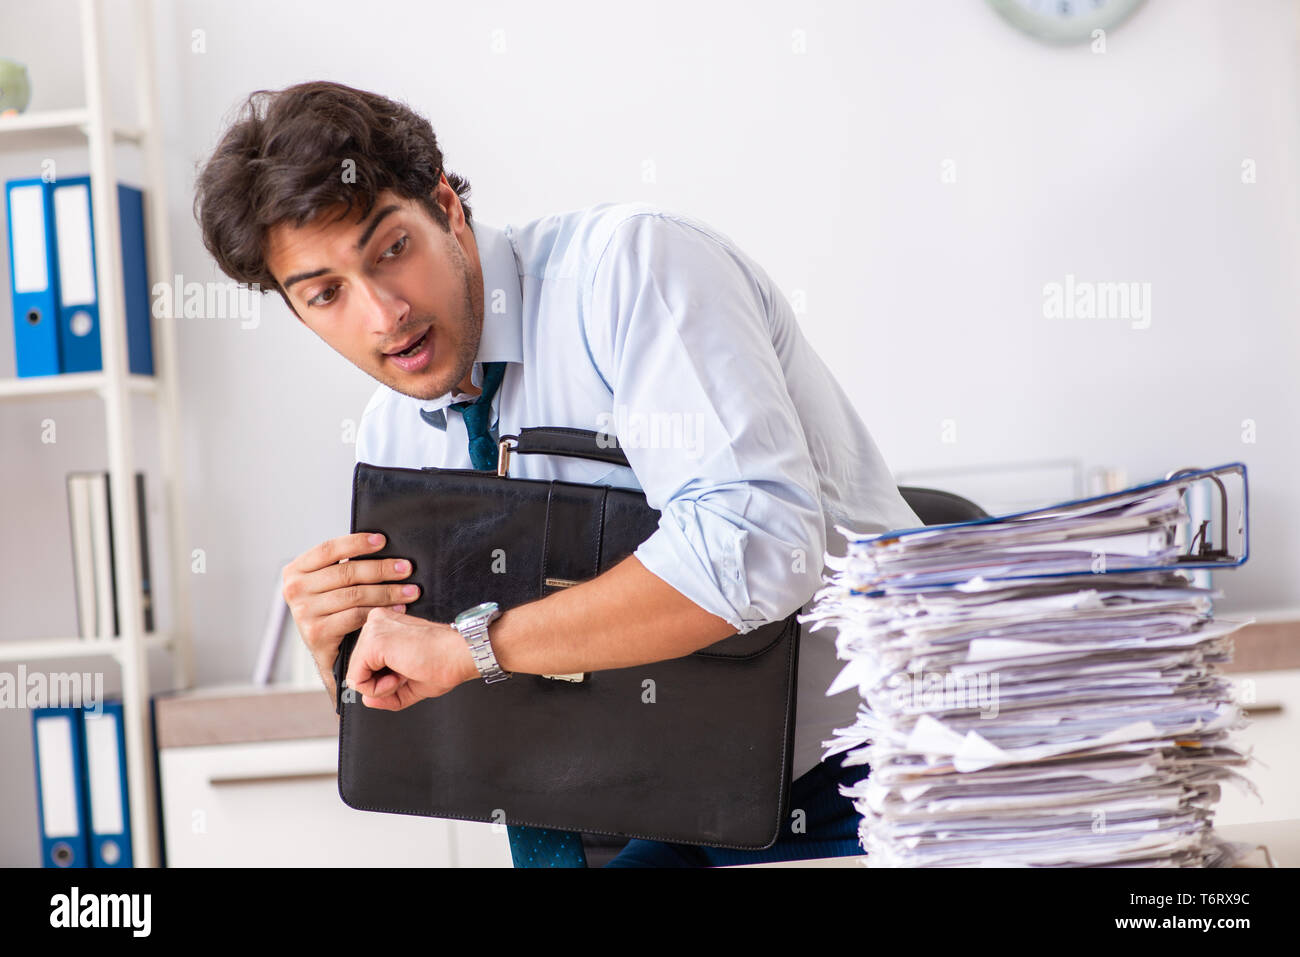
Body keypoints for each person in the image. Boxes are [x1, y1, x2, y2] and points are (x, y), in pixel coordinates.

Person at [193, 80, 920, 867]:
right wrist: (346, 658)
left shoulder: (631, 274)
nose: (383, 313)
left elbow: (758, 549)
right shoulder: (394, 429)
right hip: (649, 812)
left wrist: (476, 644)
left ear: (446, 205)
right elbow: (445, 720)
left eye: (392, 250)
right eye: (327, 294)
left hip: (867, 782)